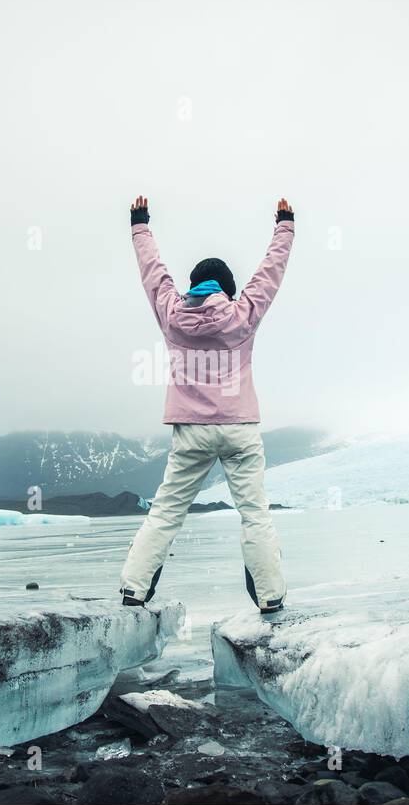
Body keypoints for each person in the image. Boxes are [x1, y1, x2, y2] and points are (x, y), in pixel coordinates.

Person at [119, 195, 295, 613]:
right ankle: (270, 595)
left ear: (193, 284)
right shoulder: (242, 314)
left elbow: (153, 273)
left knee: (166, 511)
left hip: (191, 431)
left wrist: (139, 224)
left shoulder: (172, 313)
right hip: (240, 428)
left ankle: (134, 588)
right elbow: (270, 273)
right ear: (228, 289)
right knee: (255, 512)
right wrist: (285, 225)